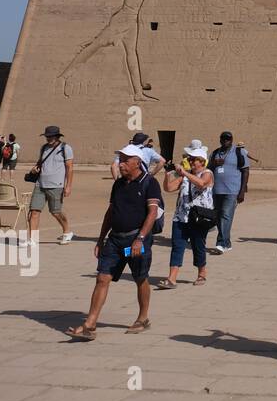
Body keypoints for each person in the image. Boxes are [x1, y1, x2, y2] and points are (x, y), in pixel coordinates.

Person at [66, 144, 162, 339]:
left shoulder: (149, 183)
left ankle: (143, 318)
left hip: (135, 243)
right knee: (102, 277)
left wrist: (140, 239)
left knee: (140, 277)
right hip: (115, 242)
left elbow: (152, 213)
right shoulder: (118, 184)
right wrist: (101, 240)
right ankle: (90, 324)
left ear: (138, 162)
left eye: (126, 159)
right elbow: (110, 213)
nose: (121, 163)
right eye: (121, 159)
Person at [158, 144, 215, 288]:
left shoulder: (207, 173)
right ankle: (172, 278)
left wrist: (185, 173)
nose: (190, 161)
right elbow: (168, 188)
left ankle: (202, 273)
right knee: (177, 246)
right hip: (181, 217)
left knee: (198, 246)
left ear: (202, 161)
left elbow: (201, 184)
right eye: (189, 158)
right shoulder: (185, 175)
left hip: (198, 218)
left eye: (193, 159)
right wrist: (167, 175)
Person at [28, 126, 75, 243]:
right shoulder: (44, 148)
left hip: (56, 185)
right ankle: (32, 239)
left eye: (50, 136)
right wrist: (35, 169)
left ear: (57, 136)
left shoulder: (65, 148)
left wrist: (68, 186)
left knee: (55, 212)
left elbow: (70, 168)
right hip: (40, 184)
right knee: (34, 211)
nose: (48, 138)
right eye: (47, 136)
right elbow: (40, 163)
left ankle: (67, 231)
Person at [210, 131, 249, 254]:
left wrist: (242, 191)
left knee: (226, 216)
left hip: (232, 191)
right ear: (220, 140)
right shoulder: (215, 153)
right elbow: (208, 169)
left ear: (232, 140)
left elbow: (246, 171)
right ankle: (227, 243)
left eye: (228, 139)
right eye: (223, 139)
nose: (225, 141)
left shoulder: (239, 152)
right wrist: (213, 163)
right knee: (217, 217)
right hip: (216, 190)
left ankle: (220, 243)